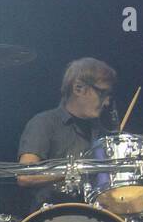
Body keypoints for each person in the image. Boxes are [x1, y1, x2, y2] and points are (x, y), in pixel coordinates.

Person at [16, 57, 117, 212]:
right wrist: (75, 171)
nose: (107, 103)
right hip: (52, 220)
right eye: (102, 93)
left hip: (95, 220)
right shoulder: (44, 123)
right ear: (78, 88)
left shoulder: (102, 133)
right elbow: (25, 176)